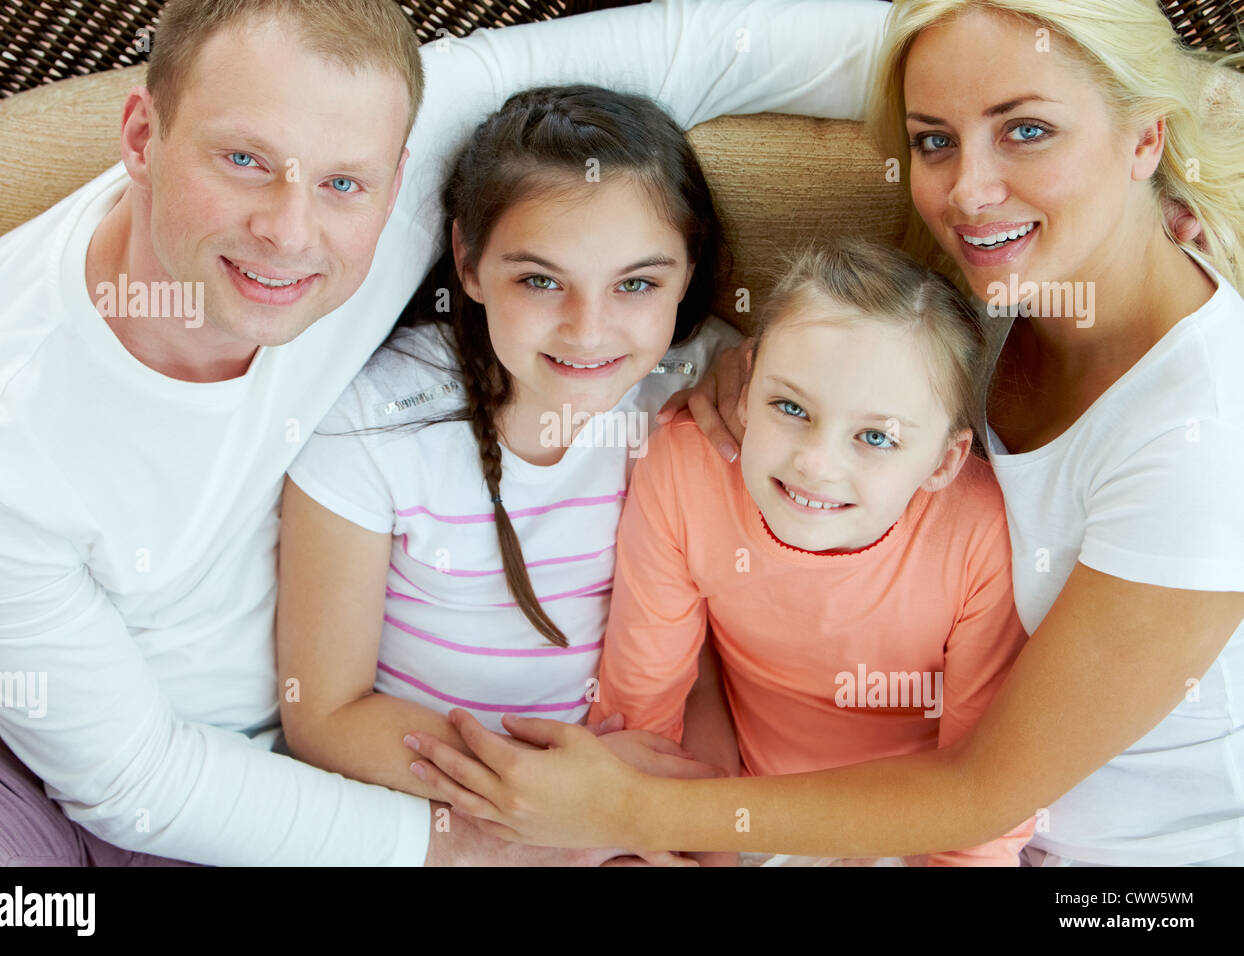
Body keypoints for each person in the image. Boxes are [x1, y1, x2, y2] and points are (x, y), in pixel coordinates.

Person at [0, 0, 892, 866]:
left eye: (345, 184)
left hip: (365, 782)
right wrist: (507, 839)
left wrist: (987, 67)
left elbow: (715, 44)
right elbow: (132, 782)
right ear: (142, 138)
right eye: (242, 160)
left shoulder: (408, 135)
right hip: (52, 775)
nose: (289, 230)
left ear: (402, 180)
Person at [404, 0, 1244, 867]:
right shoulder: (1013, 292)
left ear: (1147, 140)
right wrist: (754, 379)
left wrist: (630, 813)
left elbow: (980, 795)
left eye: (1027, 131)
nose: (967, 190)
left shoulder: (1208, 437)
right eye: (932, 141)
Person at [275, 85, 740, 863]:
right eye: (539, 280)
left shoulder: (697, 392)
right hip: (423, 805)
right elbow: (326, 714)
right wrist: (548, 793)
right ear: (468, 260)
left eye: (637, 284)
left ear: (688, 274)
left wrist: (688, 816)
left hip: (617, 800)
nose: (588, 330)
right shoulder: (375, 420)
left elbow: (706, 666)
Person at [585, 237, 1035, 866]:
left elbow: (980, 806)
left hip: (911, 829)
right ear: (744, 389)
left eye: (875, 436)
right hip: (733, 807)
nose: (817, 464)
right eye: (790, 406)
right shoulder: (685, 469)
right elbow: (642, 710)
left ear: (945, 459)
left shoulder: (982, 534)